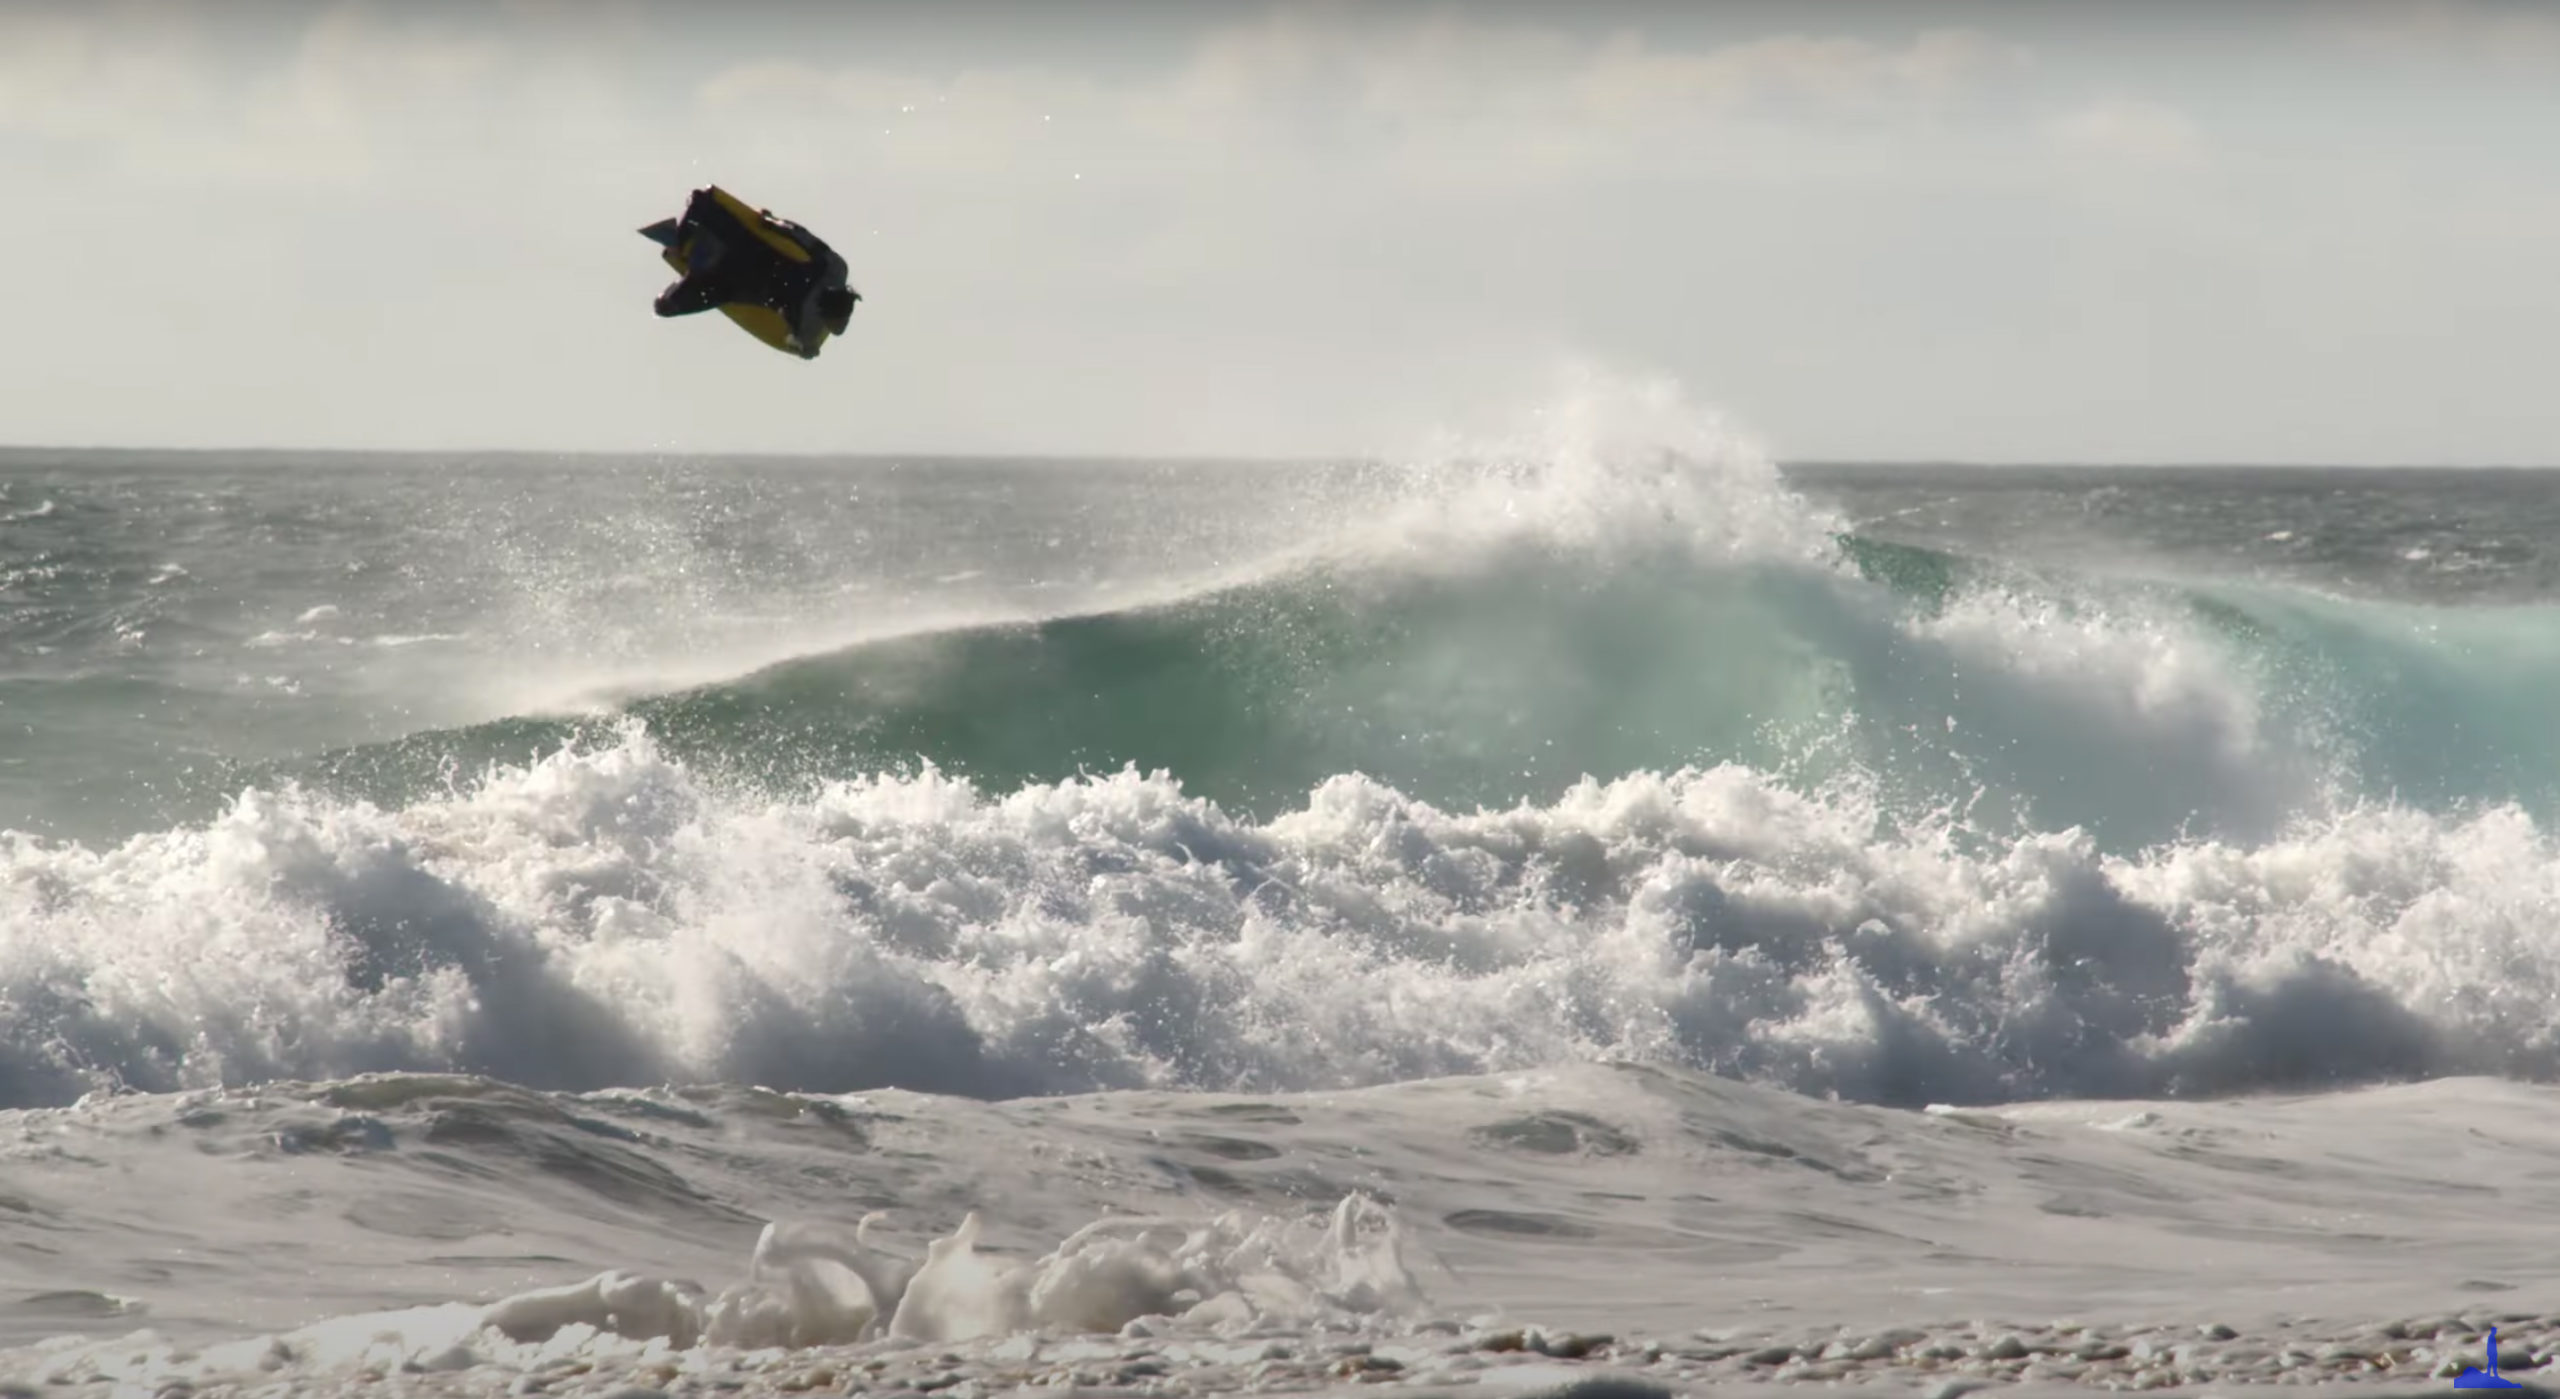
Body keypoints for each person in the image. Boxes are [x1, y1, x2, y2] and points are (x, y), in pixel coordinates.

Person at [642, 187, 861, 359]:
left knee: (665, 307)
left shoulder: (834, 277)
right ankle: (684, 234)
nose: (837, 327)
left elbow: (797, 344)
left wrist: (805, 351)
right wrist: (773, 222)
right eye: (838, 320)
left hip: (734, 285)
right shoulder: (833, 271)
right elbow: (805, 238)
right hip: (752, 254)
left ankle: (678, 241)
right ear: (828, 309)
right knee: (704, 205)